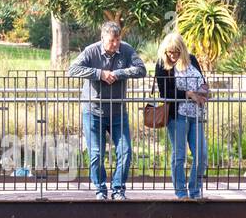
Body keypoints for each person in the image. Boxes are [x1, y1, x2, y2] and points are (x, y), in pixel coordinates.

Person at [66, 21, 146, 200]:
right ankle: (100, 189)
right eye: (111, 40)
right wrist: (99, 74)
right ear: (103, 38)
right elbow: (72, 70)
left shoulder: (126, 50)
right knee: (96, 153)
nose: (115, 44)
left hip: (118, 111)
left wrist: (119, 74)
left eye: (118, 40)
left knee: (125, 152)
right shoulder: (91, 51)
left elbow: (141, 70)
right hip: (93, 110)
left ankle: (118, 189)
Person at [154, 31, 208, 199]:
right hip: (177, 115)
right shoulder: (162, 64)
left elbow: (202, 80)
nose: (173, 55)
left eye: (177, 52)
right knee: (179, 155)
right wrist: (188, 94)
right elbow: (165, 92)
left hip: (196, 114)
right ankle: (180, 191)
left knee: (201, 154)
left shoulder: (191, 60)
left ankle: (195, 190)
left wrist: (204, 90)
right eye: (170, 52)